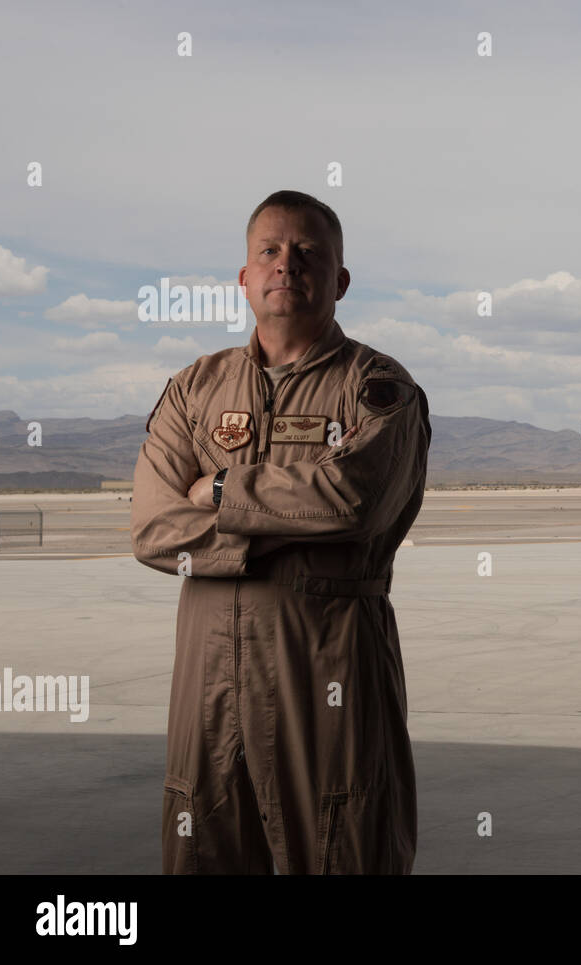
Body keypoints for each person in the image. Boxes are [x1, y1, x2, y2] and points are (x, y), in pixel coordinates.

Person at [131, 190, 431, 874]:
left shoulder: (377, 389)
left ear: (340, 281)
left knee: (342, 840)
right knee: (202, 846)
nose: (285, 265)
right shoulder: (195, 389)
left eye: (308, 253)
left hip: (327, 669)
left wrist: (221, 491)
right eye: (269, 250)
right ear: (244, 277)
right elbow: (152, 527)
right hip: (208, 682)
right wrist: (280, 528)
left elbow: (352, 500)